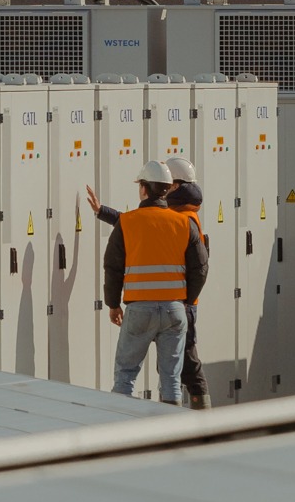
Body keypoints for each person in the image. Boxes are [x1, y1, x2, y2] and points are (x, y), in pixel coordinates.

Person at [89, 156, 211, 407]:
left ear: (144, 188)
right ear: (167, 189)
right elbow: (200, 267)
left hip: (139, 310)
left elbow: (112, 267)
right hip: (174, 310)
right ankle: (170, 436)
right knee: (171, 379)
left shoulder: (128, 222)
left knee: (125, 376)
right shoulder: (184, 222)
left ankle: (120, 432)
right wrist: (184, 301)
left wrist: (113, 304)